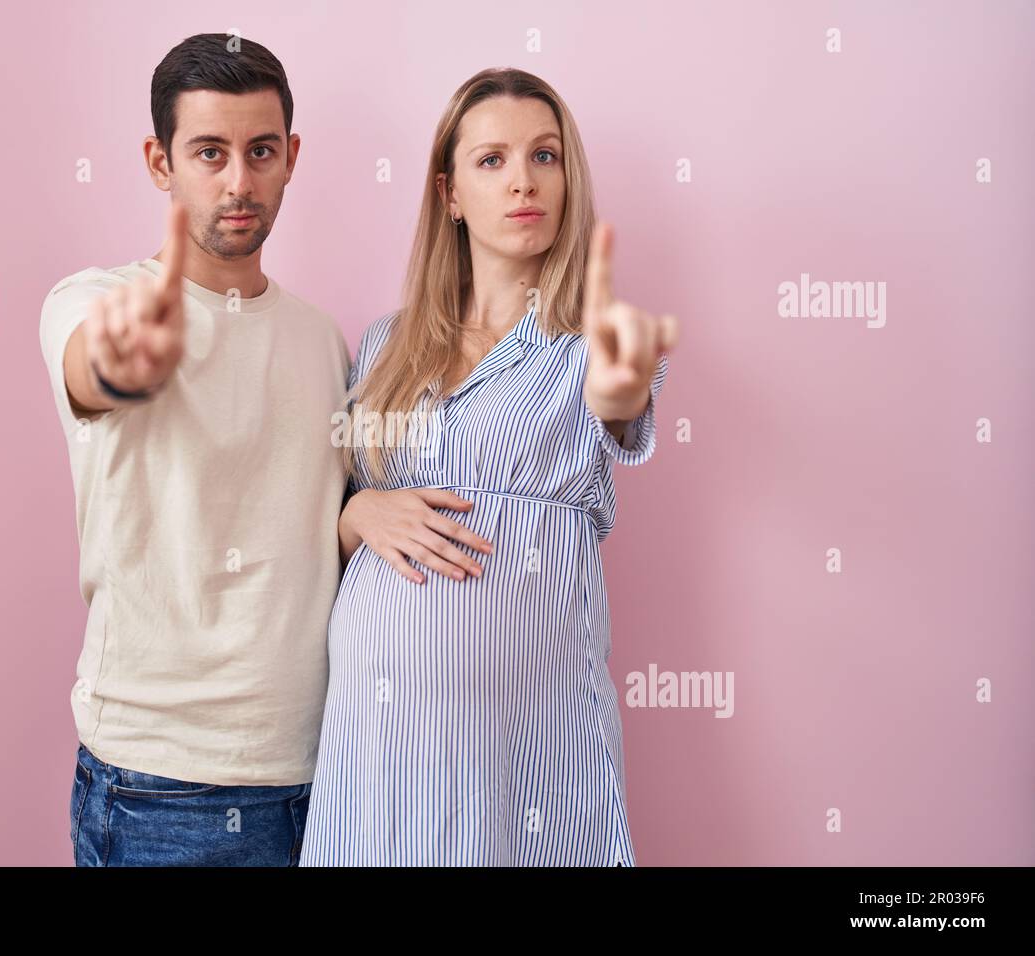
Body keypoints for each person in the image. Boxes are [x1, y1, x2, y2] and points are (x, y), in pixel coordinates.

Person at [300, 67, 678, 866]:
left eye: (545, 156)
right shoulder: (383, 345)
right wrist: (355, 515)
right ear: (449, 193)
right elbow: (333, 517)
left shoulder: (594, 346)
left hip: (523, 750)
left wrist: (620, 388)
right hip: (375, 750)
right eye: (492, 160)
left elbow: (623, 407)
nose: (522, 182)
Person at [38, 34, 350, 866]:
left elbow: (319, 525)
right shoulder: (97, 302)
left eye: (260, 151)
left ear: (292, 158)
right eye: (209, 152)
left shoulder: (324, 342)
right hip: (159, 787)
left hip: (328, 774)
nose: (239, 182)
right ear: (159, 160)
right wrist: (119, 364)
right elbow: (91, 367)